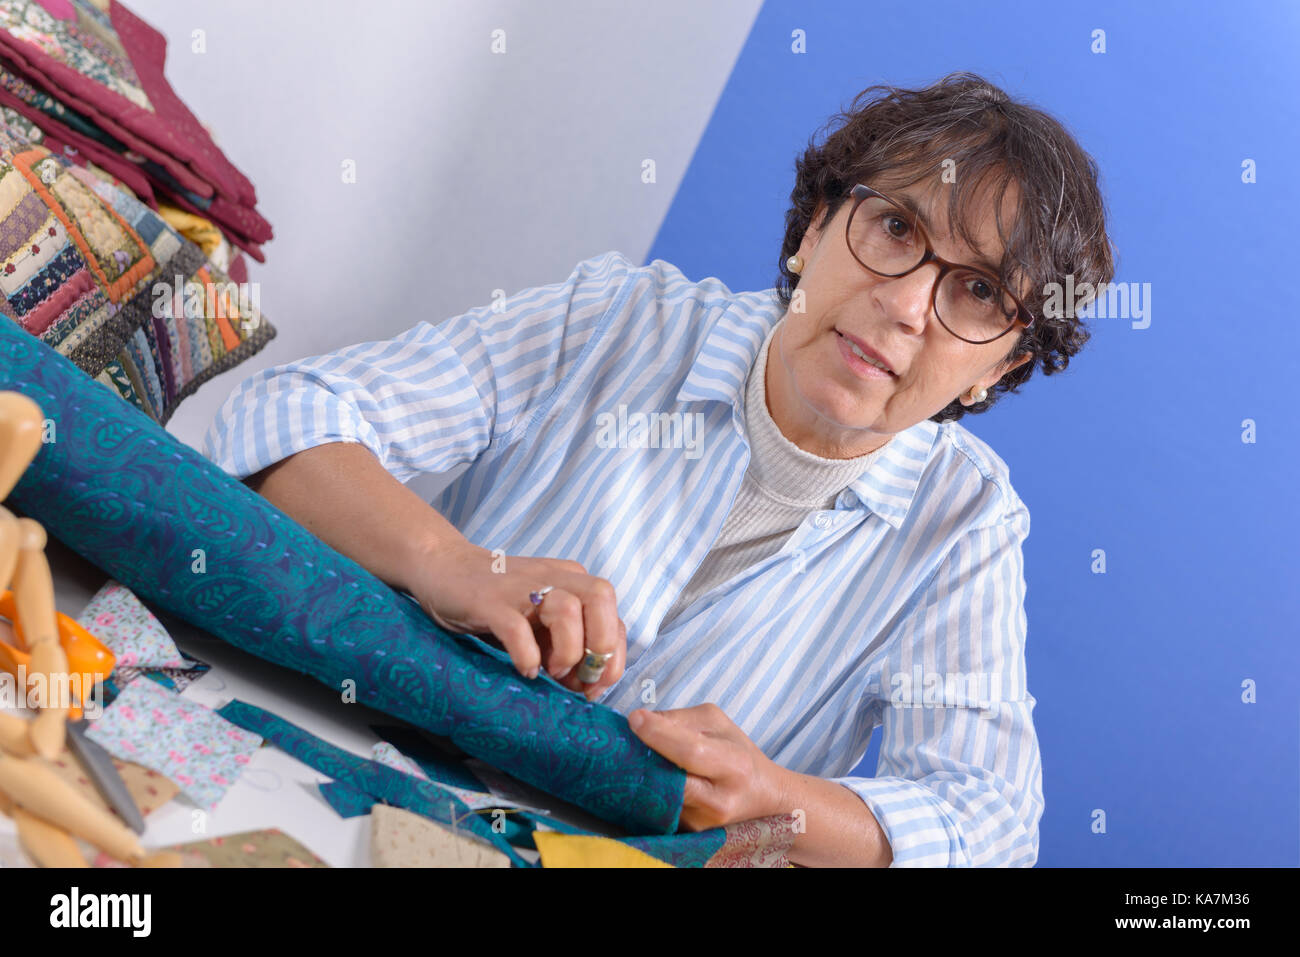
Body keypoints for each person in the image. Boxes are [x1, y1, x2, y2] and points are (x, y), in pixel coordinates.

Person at [203, 71, 1114, 867]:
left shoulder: (966, 522)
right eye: (894, 226)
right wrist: (446, 563)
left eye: (979, 291)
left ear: (1001, 366)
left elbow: (989, 823)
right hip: (350, 773)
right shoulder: (622, 319)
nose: (908, 305)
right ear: (812, 230)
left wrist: (774, 797)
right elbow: (283, 414)